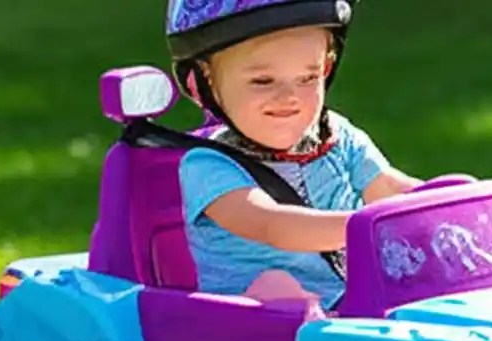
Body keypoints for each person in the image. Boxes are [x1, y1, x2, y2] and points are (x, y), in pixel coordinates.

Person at [164, 0, 421, 308]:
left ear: (326, 67)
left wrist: (445, 202)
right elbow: (271, 225)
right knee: (276, 288)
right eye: (262, 81)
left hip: (357, 304)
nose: (289, 97)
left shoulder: (336, 136)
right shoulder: (207, 165)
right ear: (203, 83)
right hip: (250, 334)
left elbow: (389, 187)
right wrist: (365, 227)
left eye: (308, 78)